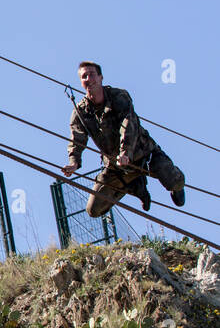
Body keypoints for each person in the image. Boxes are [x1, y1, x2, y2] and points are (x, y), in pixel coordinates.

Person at [62, 61, 186, 216]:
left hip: (145, 155)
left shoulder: (118, 96)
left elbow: (128, 125)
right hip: (116, 166)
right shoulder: (81, 111)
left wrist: (125, 152)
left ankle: (176, 185)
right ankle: (133, 185)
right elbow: (77, 137)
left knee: (175, 182)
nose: (88, 79)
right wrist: (74, 162)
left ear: (101, 77)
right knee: (94, 210)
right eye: (84, 76)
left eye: (92, 74)